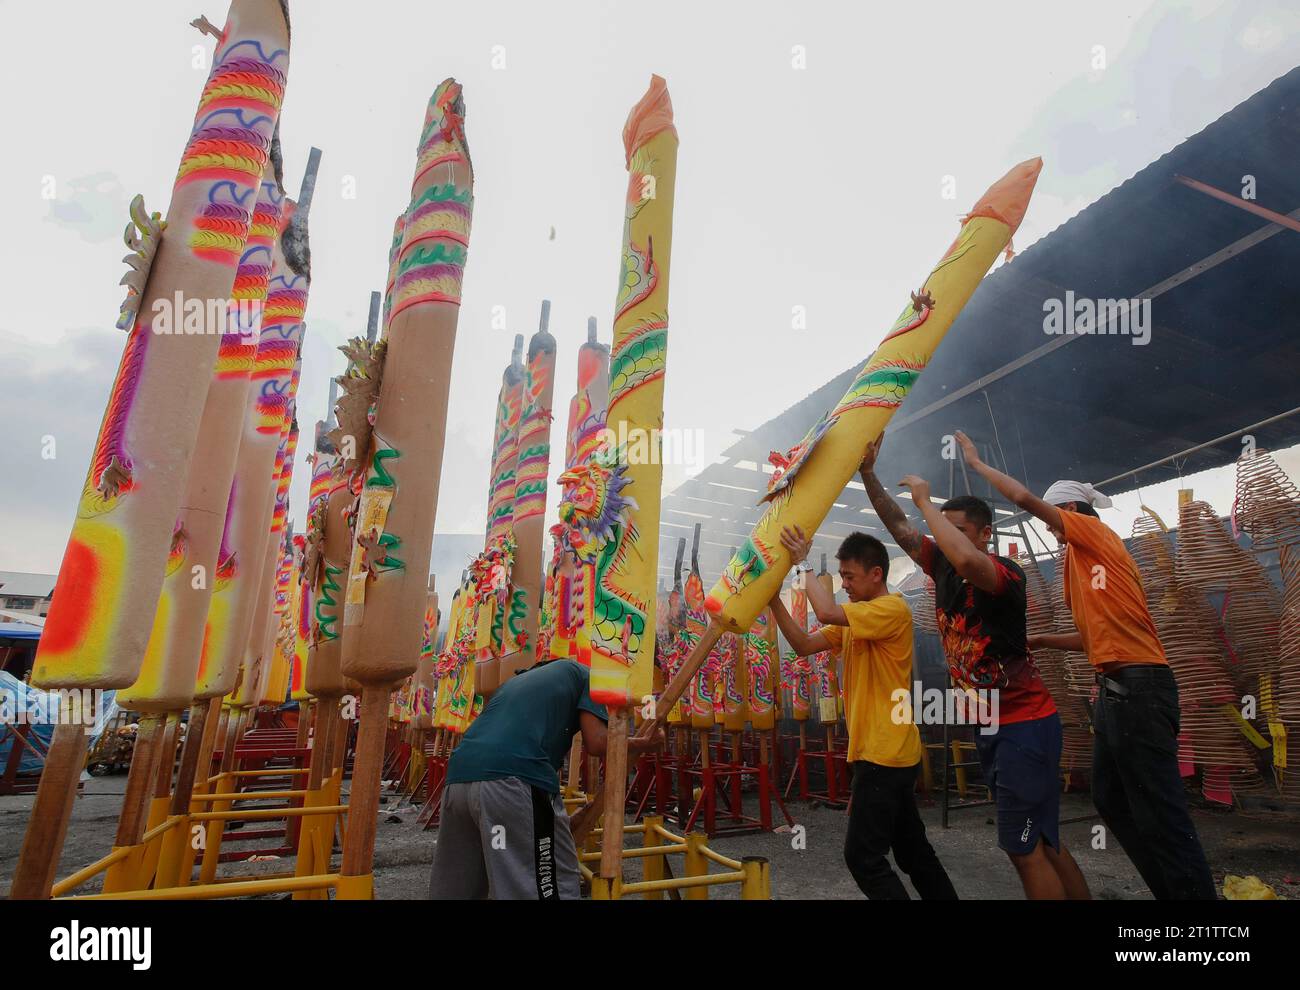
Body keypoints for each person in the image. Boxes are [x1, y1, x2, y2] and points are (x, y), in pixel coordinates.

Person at [951, 430, 1216, 900]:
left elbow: (1024, 498)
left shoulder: (1092, 533)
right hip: (1116, 690)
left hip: (1140, 689)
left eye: (1055, 523)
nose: (1053, 532)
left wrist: (977, 465)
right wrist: (1041, 638)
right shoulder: (1081, 562)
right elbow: (1096, 636)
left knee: (1161, 812)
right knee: (1111, 800)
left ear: (1071, 513)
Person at [859, 435, 1090, 900]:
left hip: (1024, 726)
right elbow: (899, 524)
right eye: (944, 532)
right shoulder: (942, 565)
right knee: (1044, 839)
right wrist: (868, 474)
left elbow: (964, 558)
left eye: (957, 529)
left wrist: (927, 504)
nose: (946, 541)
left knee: (1023, 849)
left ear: (986, 533)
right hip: (999, 726)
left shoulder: (1003, 573)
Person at [769, 526, 957, 900]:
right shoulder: (857, 617)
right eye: (842, 578)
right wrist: (773, 601)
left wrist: (801, 563)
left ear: (876, 574)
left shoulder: (891, 608)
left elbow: (823, 610)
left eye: (850, 577)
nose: (846, 585)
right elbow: (804, 645)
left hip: (882, 754)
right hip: (889, 753)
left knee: (863, 858)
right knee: (914, 853)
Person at [429, 658, 664, 899]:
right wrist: (644, 743)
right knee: (544, 886)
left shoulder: (520, 682)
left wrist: (552, 822)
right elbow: (598, 740)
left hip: (458, 779)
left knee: (459, 888)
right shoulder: (589, 677)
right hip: (512, 779)